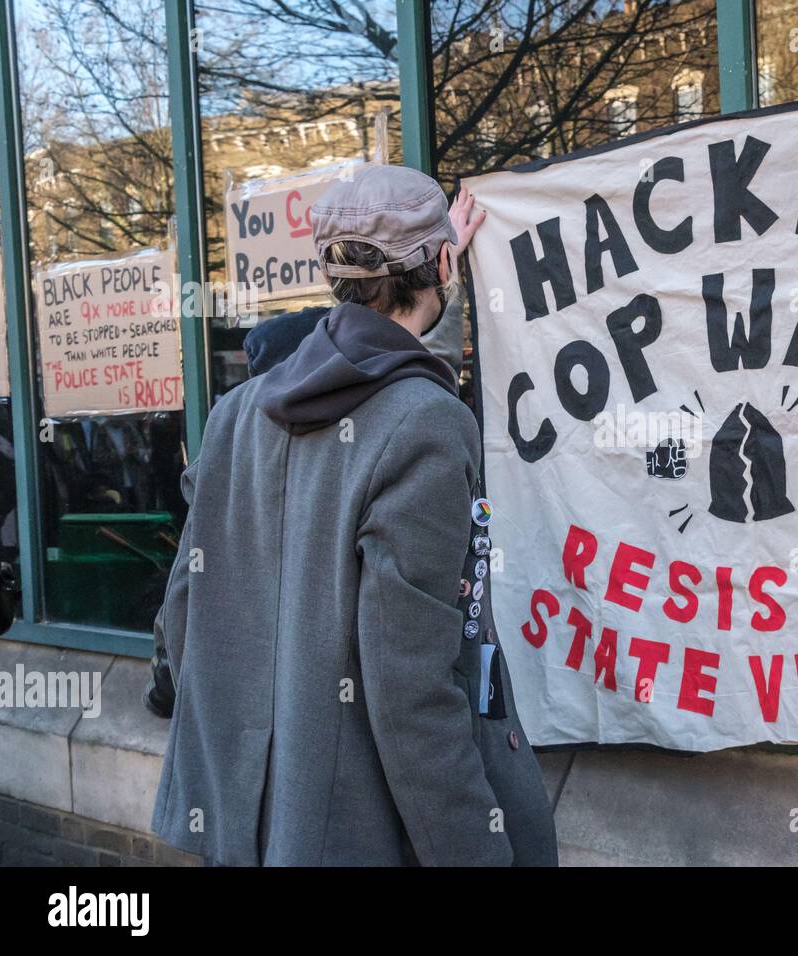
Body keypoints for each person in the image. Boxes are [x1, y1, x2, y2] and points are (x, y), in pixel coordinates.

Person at [148, 165, 557, 866]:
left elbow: (184, 614)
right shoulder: (426, 422)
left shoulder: (235, 414)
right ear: (441, 263)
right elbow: (410, 690)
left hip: (256, 831)